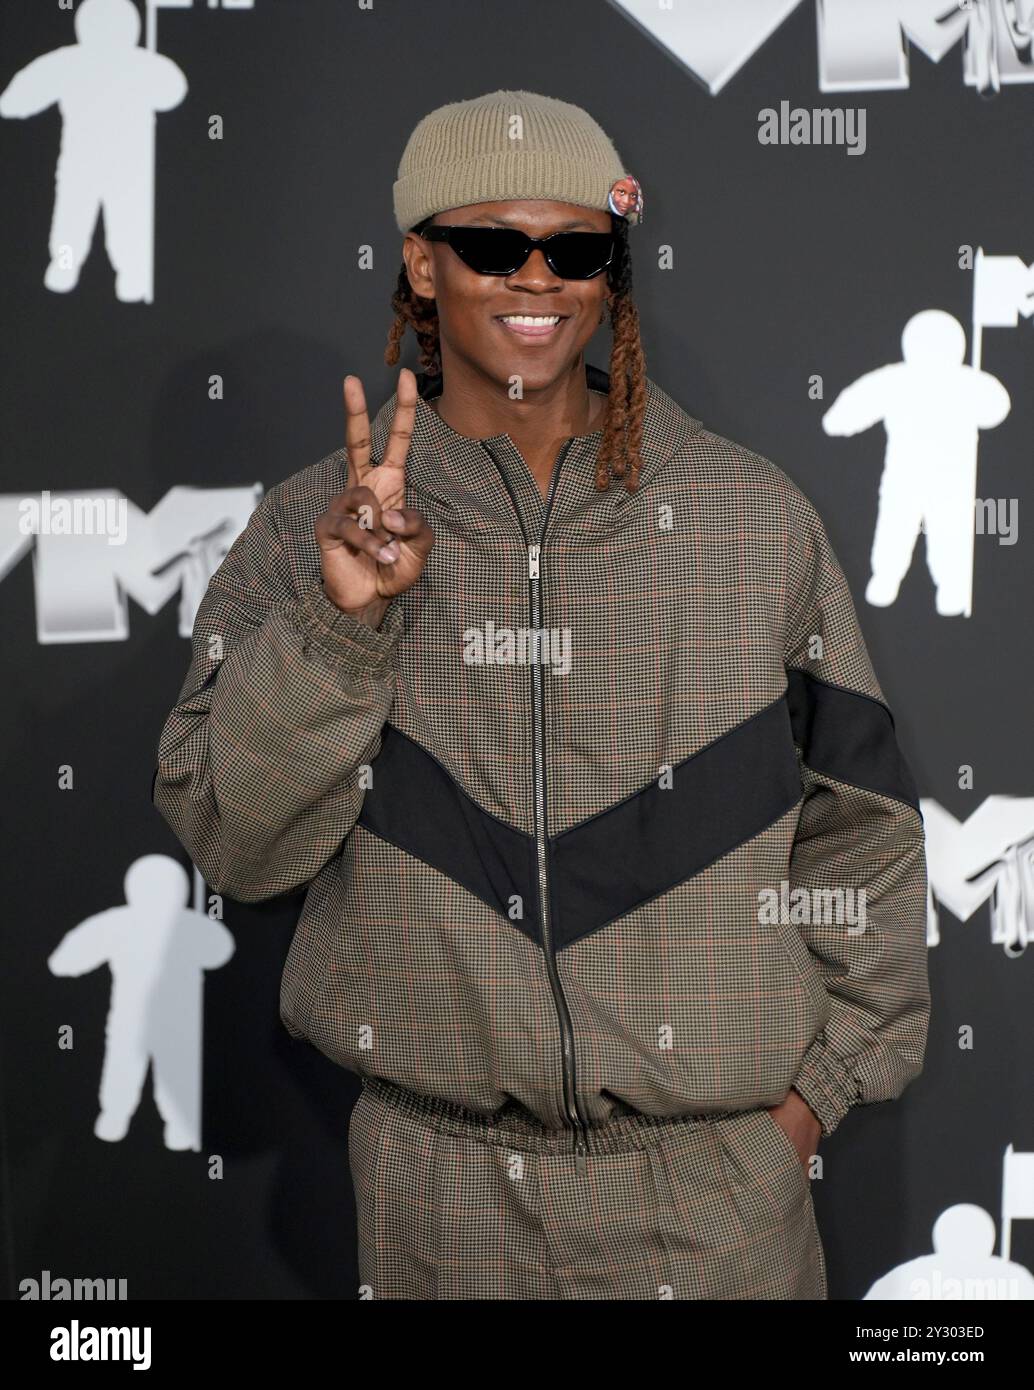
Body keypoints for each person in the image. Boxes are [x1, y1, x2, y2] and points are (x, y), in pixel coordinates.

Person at [152, 89, 931, 1300]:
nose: (537, 278)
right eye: (490, 246)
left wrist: (799, 1117)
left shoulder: (750, 518)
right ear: (420, 265)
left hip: (714, 1209)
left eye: (574, 250)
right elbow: (232, 841)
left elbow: (863, 834)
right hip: (436, 1203)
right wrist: (339, 622)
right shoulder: (312, 533)